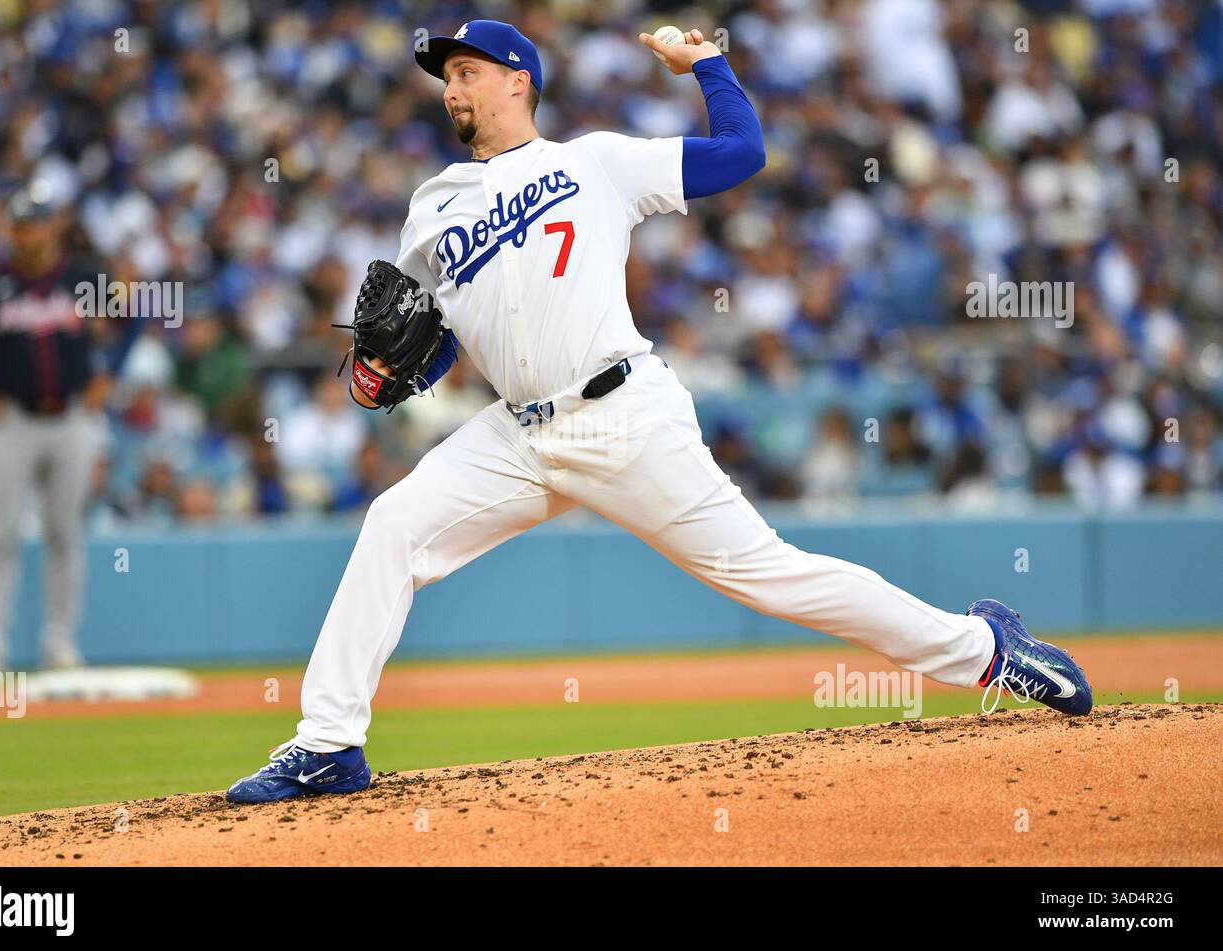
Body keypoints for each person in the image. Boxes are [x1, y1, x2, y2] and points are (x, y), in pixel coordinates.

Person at [226, 21, 1093, 804]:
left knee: (767, 573)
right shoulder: (432, 207)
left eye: (464, 70)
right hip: (517, 434)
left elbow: (741, 153)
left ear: (517, 79)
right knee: (393, 525)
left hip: (622, 413)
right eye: (444, 76)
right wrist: (385, 372)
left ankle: (984, 649)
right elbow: (443, 335)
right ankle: (329, 745)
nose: (450, 88)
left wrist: (708, 64)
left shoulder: (596, 162)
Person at [0, 185, 138, 670]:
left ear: (52, 226)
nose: (26, 235)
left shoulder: (83, 277)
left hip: (72, 417)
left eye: (34, 223)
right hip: (11, 420)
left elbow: (135, 317)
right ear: (9, 230)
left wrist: (110, 374)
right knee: (0, 535)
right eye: (18, 225)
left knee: (65, 533)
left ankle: (60, 643)